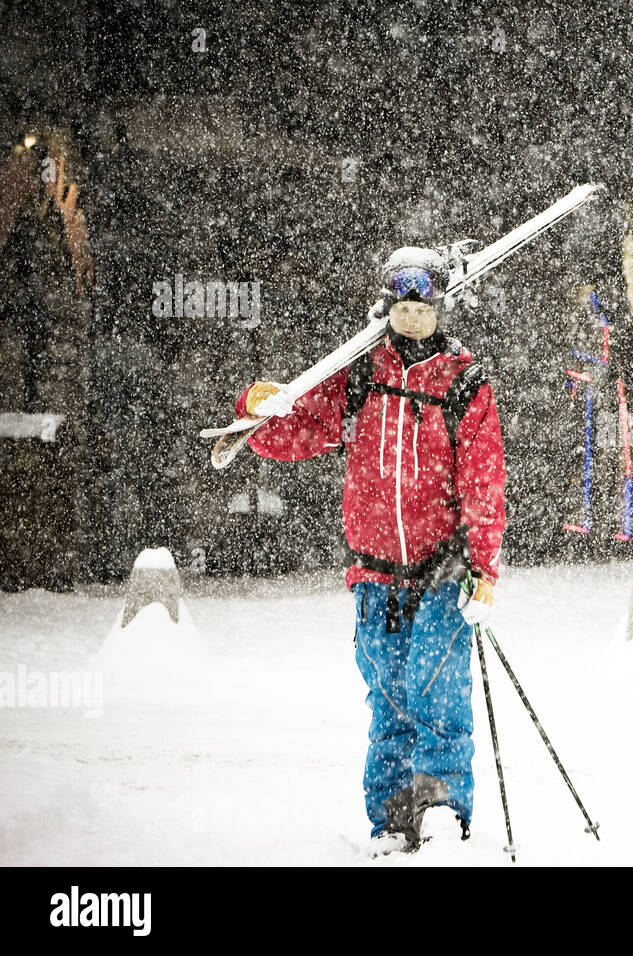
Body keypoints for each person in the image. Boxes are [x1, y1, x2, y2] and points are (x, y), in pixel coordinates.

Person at [233, 246, 507, 855]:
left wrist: (483, 567)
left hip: (444, 569)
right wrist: (257, 405)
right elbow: (296, 432)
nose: (412, 317)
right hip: (375, 571)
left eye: (423, 306)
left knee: (436, 692)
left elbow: (484, 482)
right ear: (388, 308)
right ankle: (390, 817)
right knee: (387, 699)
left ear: (441, 309)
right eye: (402, 306)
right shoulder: (360, 375)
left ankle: (438, 809)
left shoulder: (465, 382)